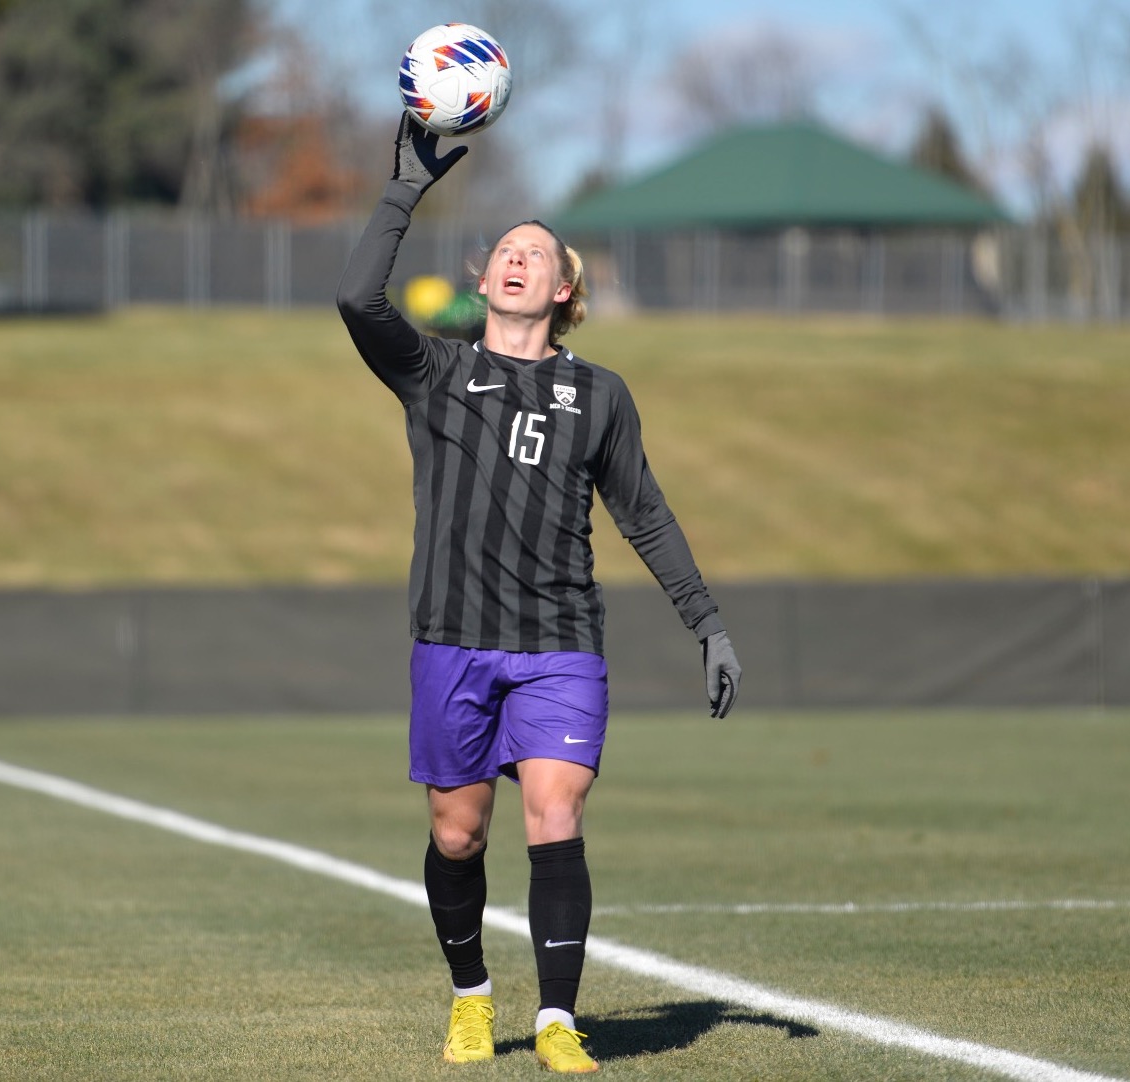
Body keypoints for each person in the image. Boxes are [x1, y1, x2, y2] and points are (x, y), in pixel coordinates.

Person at [336, 117, 742, 1074]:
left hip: (561, 639)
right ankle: (473, 998)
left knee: (555, 814)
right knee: (457, 830)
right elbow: (357, 297)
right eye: (504, 252)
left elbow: (645, 514)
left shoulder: (599, 395)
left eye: (537, 254)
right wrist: (404, 187)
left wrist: (707, 623)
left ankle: (557, 1019)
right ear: (483, 282)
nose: (517, 259)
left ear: (565, 290)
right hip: (452, 638)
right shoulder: (436, 370)